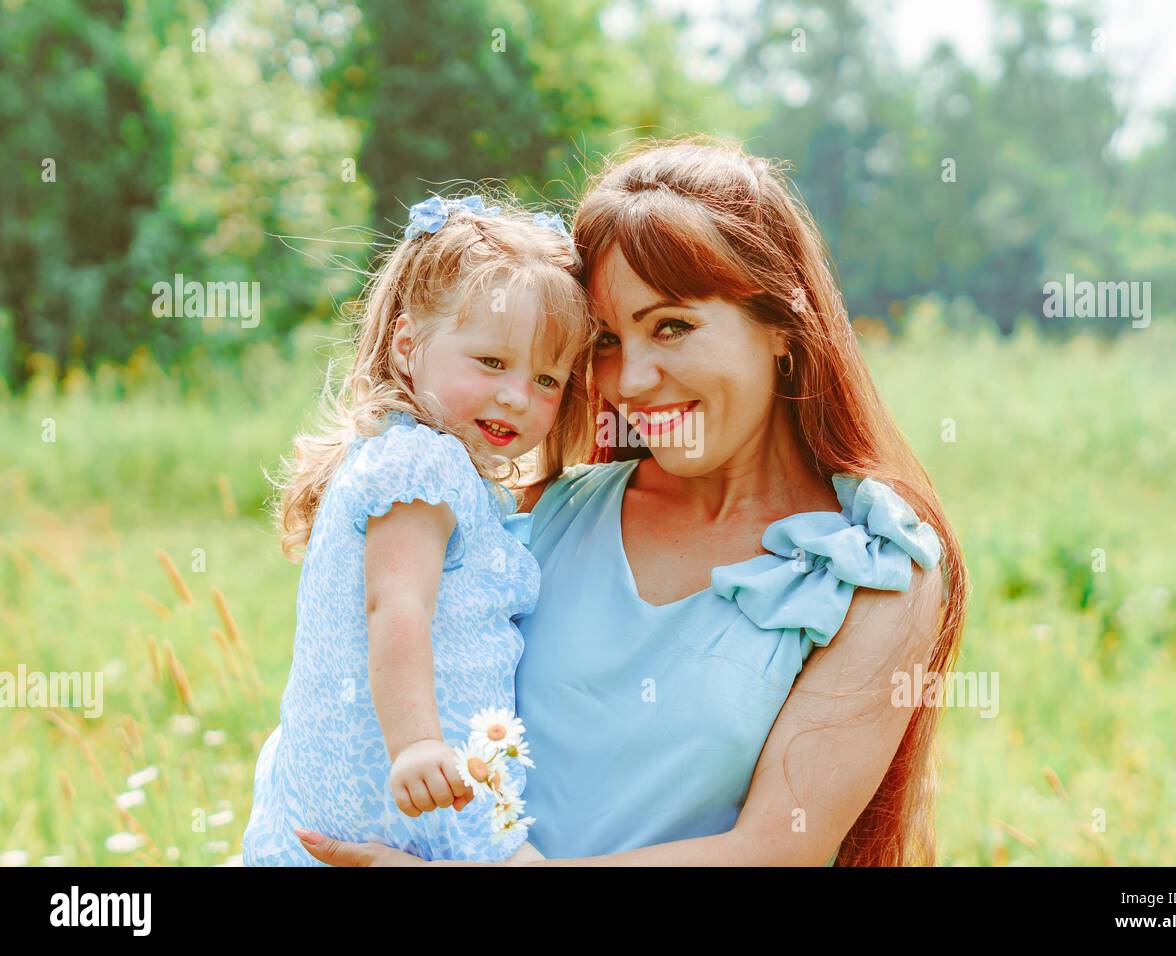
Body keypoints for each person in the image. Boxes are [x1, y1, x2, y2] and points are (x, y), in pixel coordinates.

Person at [295, 137, 969, 867]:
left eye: (672, 326)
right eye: (608, 340)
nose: (632, 381)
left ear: (783, 325)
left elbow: (776, 850)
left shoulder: (874, 569)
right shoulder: (539, 515)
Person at [242, 192, 596, 865]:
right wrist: (416, 745)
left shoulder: (420, 458)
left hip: (414, 795)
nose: (517, 395)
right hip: (413, 795)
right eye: (491, 363)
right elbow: (396, 608)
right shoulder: (421, 463)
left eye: (547, 378)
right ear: (408, 346)